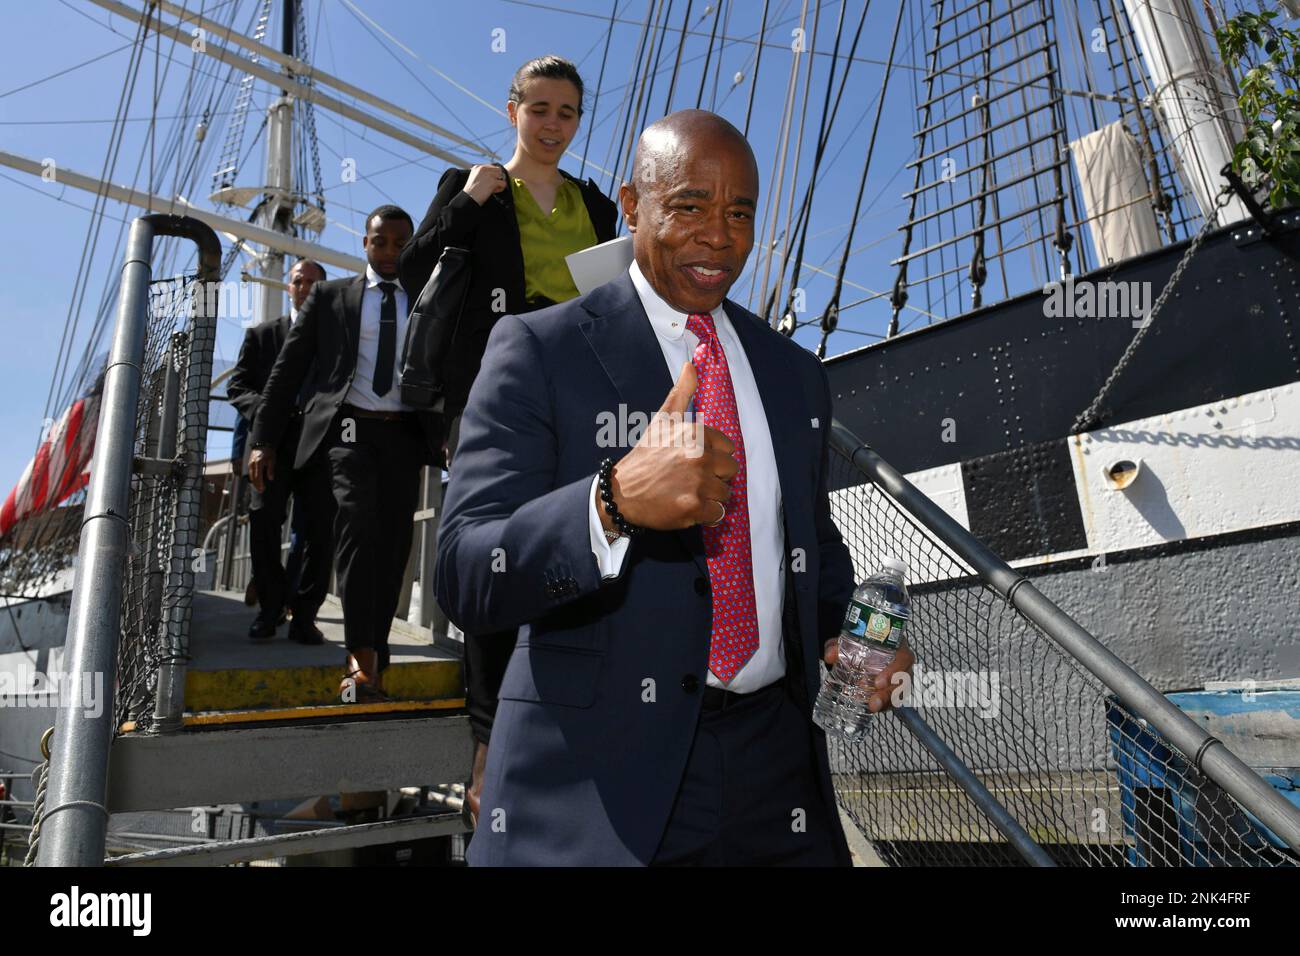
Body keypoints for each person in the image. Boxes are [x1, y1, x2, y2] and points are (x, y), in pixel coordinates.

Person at [434, 110, 915, 866]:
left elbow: (809, 544)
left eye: (739, 213)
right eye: (689, 205)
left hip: (776, 772)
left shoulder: (793, 375)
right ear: (631, 205)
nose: (719, 236)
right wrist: (611, 503)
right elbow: (466, 572)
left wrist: (851, 635)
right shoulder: (536, 348)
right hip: (600, 785)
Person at [398, 55, 619, 823]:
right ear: (513, 108)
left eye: (567, 113)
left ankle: (580, 716)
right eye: (541, 109)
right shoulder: (476, 183)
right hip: (498, 387)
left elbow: (615, 296)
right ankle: (489, 740)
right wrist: (465, 202)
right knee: (497, 550)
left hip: (584, 389)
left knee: (586, 541)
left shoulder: (595, 202)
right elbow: (413, 268)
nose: (553, 125)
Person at [249, 206, 443, 700]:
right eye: (382, 242)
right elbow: (286, 372)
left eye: (402, 244)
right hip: (348, 431)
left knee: (395, 541)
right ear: (365, 243)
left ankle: (376, 644)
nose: (391, 253)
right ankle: (361, 658)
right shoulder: (331, 299)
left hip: (404, 434)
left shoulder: (428, 298)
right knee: (355, 529)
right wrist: (263, 441)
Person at [227, 258, 334, 643]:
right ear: (288, 287)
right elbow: (237, 387)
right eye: (297, 281)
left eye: (312, 283)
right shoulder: (262, 336)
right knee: (264, 526)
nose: (303, 288)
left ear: (323, 290)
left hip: (319, 448)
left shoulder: (337, 339)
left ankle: (304, 616)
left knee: (320, 533)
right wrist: (269, 414)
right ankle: (270, 611)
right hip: (270, 448)